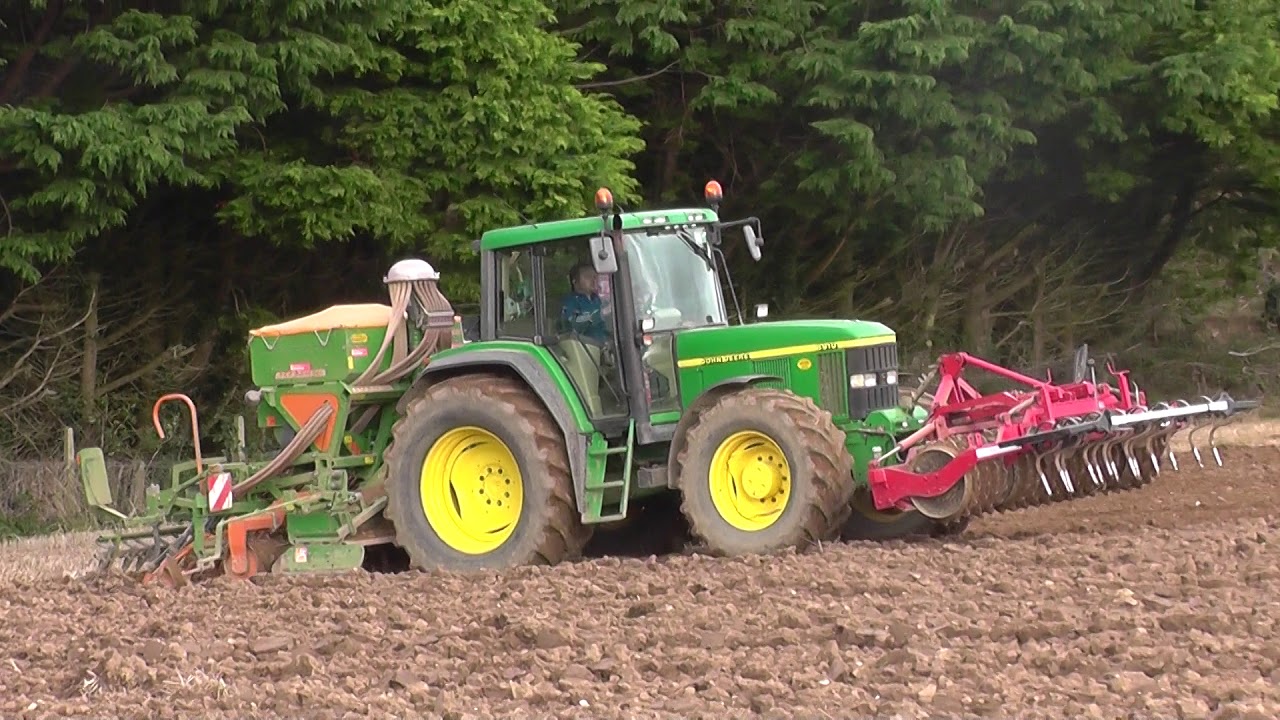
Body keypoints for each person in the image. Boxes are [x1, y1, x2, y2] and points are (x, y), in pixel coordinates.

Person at [559, 262, 608, 343]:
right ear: (574, 281)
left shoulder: (597, 300)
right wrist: (593, 316)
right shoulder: (570, 301)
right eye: (588, 277)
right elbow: (572, 323)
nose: (593, 280)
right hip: (585, 348)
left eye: (595, 277)